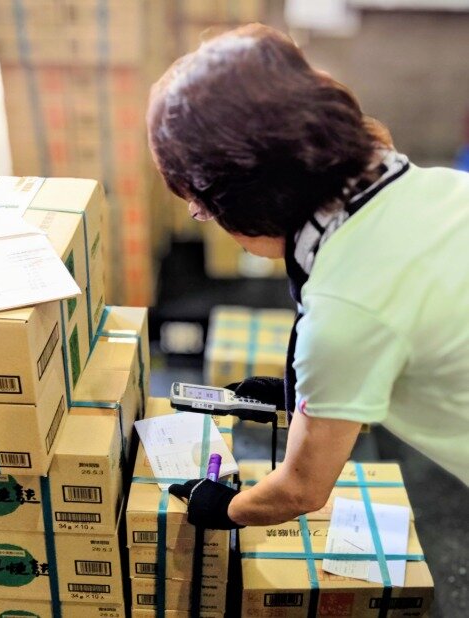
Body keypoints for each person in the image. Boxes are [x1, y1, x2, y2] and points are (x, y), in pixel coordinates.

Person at [147, 23, 469, 529]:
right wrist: (308, 399)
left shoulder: (342, 311)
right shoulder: (434, 187)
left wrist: (222, 507)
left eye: (202, 207)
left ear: (247, 203)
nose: (203, 217)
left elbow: (301, 489)